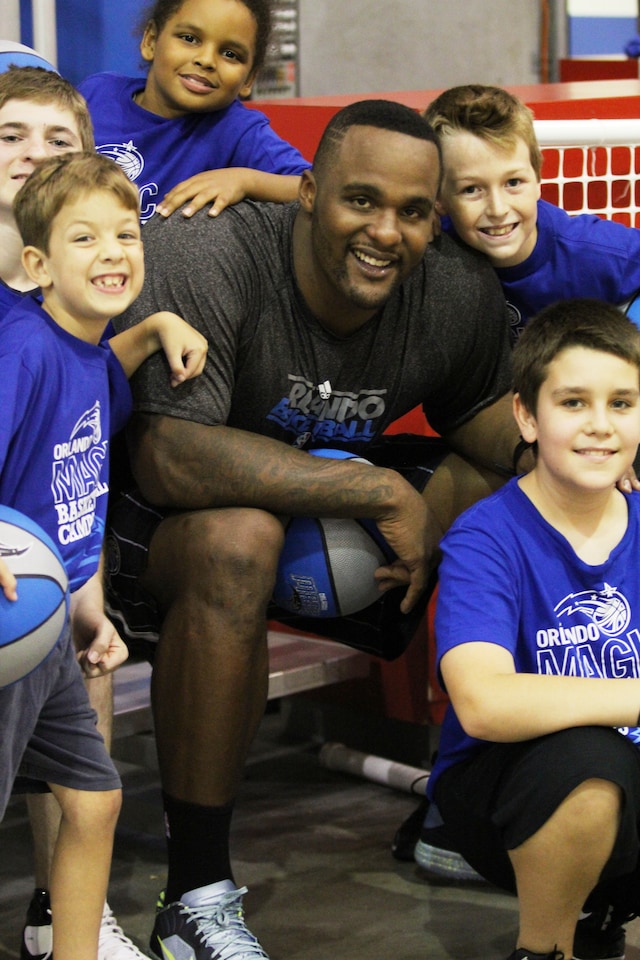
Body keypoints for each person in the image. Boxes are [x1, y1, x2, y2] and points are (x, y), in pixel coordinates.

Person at [103, 97, 526, 960]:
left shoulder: (448, 289)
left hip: (309, 517)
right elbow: (167, 456)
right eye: (359, 201)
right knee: (239, 538)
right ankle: (194, 894)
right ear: (307, 192)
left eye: (413, 212)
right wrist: (378, 496)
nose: (385, 232)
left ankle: (464, 810)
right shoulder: (210, 253)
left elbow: (492, 421)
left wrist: (584, 454)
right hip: (138, 527)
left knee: (533, 493)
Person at [0, 150, 207, 959]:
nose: (113, 252)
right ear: (37, 265)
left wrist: (90, 608)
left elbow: (69, 501)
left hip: (55, 622)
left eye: (126, 234)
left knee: (92, 796)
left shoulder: (88, 351)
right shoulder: (21, 349)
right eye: (83, 239)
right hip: (12, 620)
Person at [428, 297, 640, 960]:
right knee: (588, 760)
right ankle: (544, 949)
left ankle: (605, 909)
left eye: (622, 403)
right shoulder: (486, 538)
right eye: (573, 403)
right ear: (526, 415)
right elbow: (484, 702)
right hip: (507, 795)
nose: (600, 427)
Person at [422, 83, 640, 340]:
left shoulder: (593, 252)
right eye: (471, 189)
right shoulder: (431, 250)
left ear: (538, 180)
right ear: (439, 199)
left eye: (513, 183)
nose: (498, 209)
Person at [78, 0, 311, 223]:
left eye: (230, 54)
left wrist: (246, 181)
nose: (206, 60)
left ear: (250, 78)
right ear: (151, 41)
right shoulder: (96, 93)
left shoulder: (239, 131)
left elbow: (315, 187)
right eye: (189, 39)